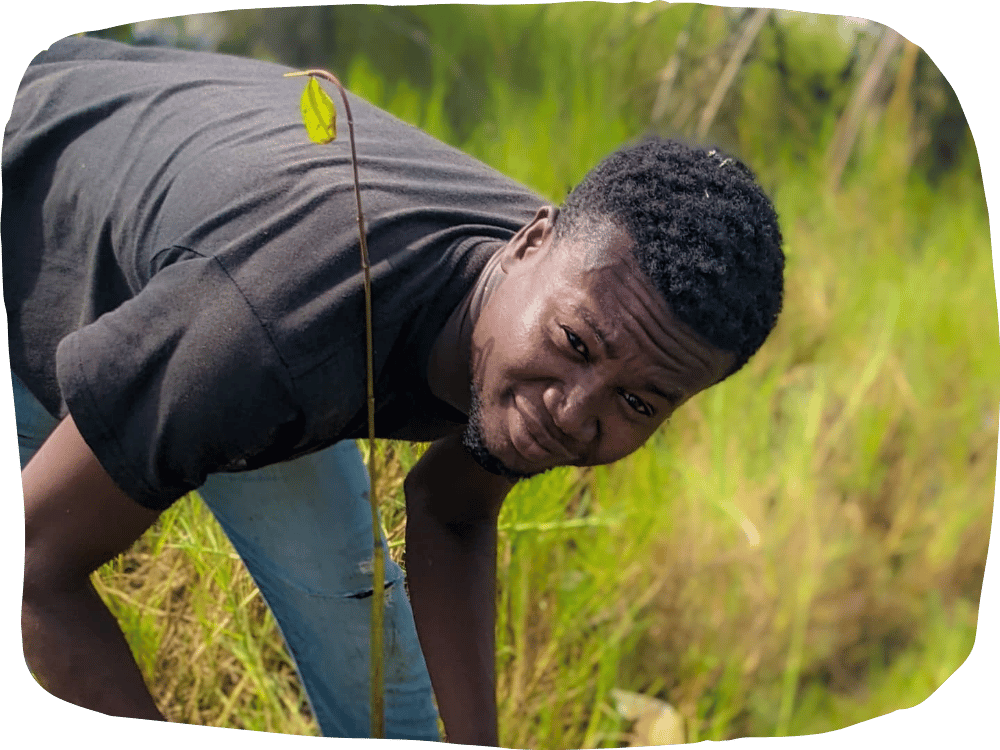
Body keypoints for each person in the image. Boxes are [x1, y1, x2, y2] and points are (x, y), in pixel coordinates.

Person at [5, 35, 784, 746]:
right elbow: (32, 567)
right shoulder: (267, 332)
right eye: (575, 347)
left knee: (392, 716)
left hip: (222, 276)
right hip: (36, 205)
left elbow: (454, 510)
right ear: (529, 240)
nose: (573, 414)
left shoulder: (581, 299)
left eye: (640, 405)